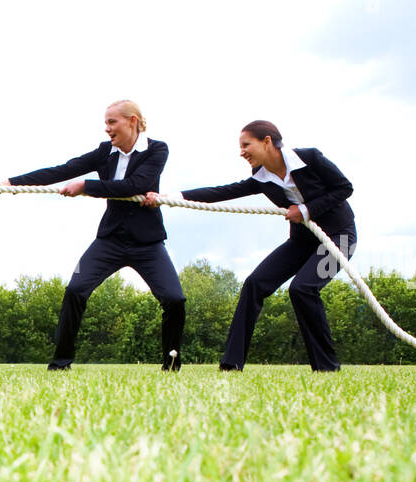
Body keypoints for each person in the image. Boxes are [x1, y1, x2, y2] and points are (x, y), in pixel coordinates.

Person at [0, 100, 185, 371]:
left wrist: (86, 186)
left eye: (112, 122)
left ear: (133, 121)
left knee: (175, 300)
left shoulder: (157, 150)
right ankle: (60, 363)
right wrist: (8, 184)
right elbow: (62, 170)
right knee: (75, 291)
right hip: (109, 241)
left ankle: (171, 366)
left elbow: (137, 185)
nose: (107, 129)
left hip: (147, 243)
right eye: (106, 123)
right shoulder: (106, 152)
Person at [147, 120, 355, 371]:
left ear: (267, 141)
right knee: (254, 284)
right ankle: (231, 364)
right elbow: (223, 192)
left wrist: (306, 210)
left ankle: (326, 368)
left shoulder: (309, 157)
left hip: (339, 237)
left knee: (302, 289)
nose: (242, 151)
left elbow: (344, 188)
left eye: (246, 144)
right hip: (302, 242)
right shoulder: (261, 178)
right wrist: (171, 198)